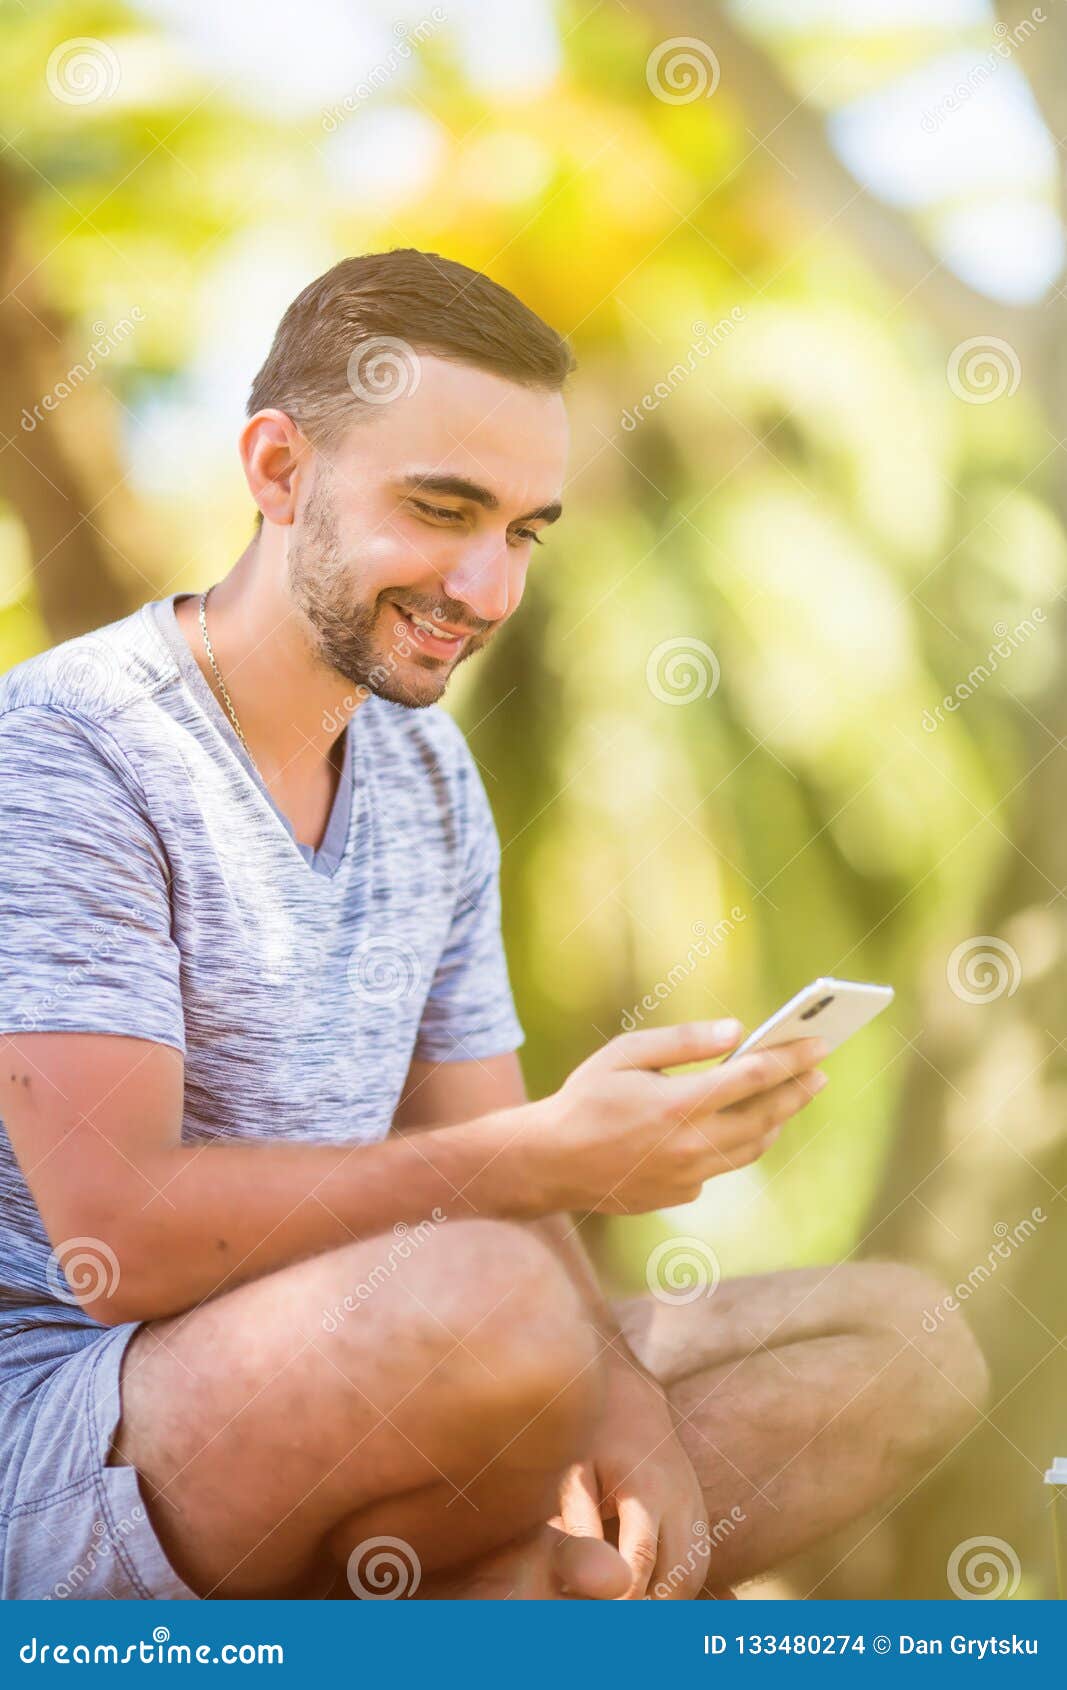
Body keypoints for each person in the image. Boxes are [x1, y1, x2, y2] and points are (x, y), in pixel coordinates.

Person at [0, 249, 988, 1602]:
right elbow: (120, 1240)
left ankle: (513, 1591)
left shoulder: (425, 772)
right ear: (278, 469)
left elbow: (484, 1153)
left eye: (524, 531)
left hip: (402, 1367)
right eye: (442, 509)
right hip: (69, 1438)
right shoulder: (72, 748)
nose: (486, 591)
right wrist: (543, 1161)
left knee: (907, 1339)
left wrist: (628, 1416)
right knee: (496, 1306)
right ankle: (512, 1588)